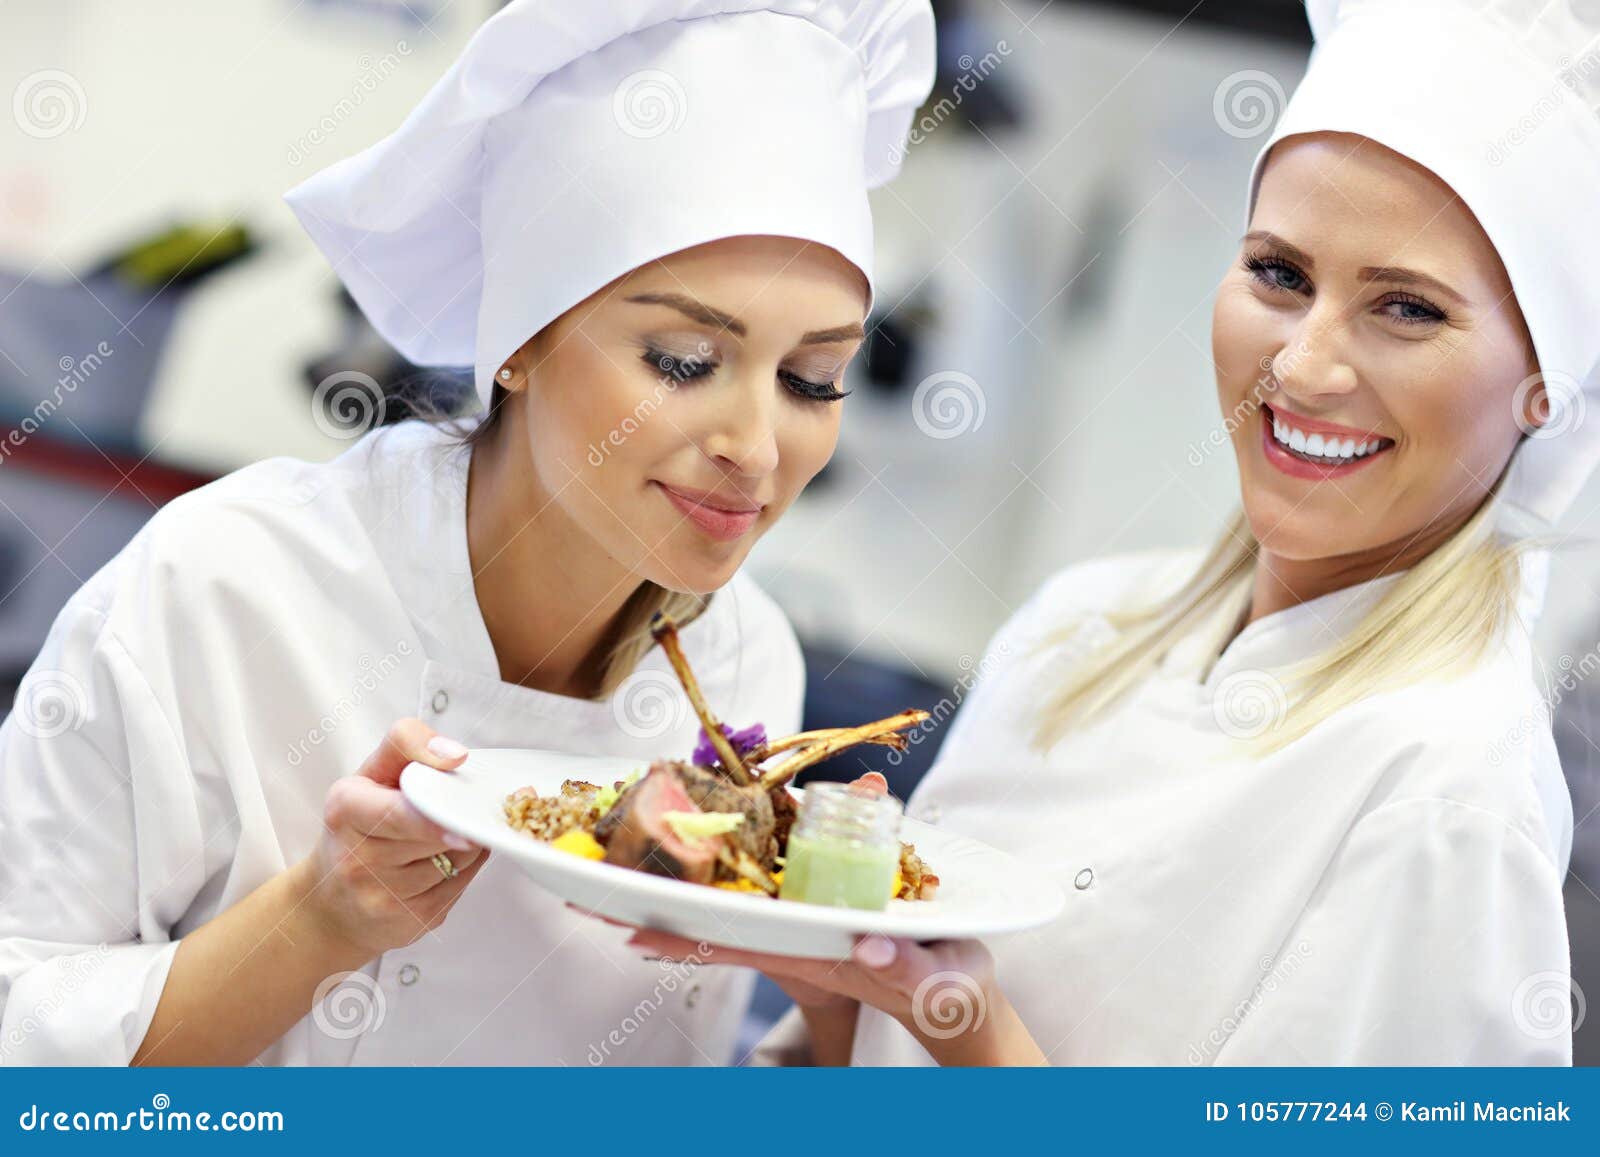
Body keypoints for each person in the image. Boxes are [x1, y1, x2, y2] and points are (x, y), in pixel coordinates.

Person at [629, 0, 1597, 1064]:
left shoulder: (1450, 792)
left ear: (1543, 387)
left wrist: (974, 1031)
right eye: (1279, 274)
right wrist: (832, 982)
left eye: (1407, 307)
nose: (1302, 364)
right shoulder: (1083, 623)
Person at [0, 0, 934, 1066]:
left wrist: (840, 1008)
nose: (757, 448)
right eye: (682, 361)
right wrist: (314, 923)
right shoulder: (227, 584)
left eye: (813, 379)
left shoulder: (744, 658)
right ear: (516, 339)